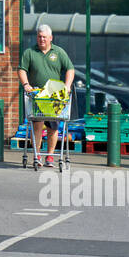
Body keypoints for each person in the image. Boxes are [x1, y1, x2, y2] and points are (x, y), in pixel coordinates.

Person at [19, 24, 75, 165]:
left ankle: (50, 156)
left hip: (53, 97)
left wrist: (67, 86)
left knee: (53, 127)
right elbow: (22, 70)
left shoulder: (59, 52)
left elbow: (70, 69)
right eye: (39, 36)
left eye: (44, 37)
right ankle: (37, 156)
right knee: (37, 126)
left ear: (51, 38)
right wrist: (26, 84)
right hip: (37, 96)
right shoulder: (30, 52)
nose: (41, 39)